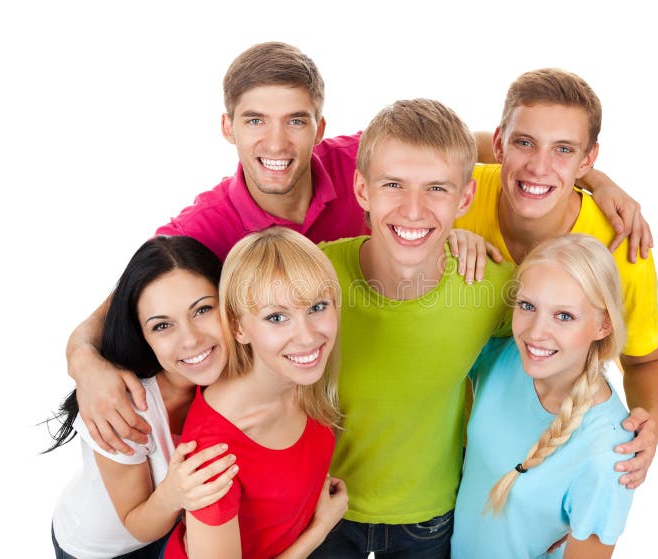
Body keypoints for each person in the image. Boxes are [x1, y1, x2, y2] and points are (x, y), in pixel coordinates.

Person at [65, 42, 649, 457]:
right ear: (228, 127)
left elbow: (474, 147)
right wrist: (83, 360)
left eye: (296, 120)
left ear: (320, 127)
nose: (276, 142)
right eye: (255, 121)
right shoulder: (209, 224)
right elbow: (132, 297)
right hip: (291, 428)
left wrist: (594, 182)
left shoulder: (358, 158)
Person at [310, 99, 515, 558]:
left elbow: (562, 348)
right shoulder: (314, 275)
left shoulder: (490, 285)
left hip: (430, 518)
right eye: (393, 185)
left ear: (465, 198)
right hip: (321, 512)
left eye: (436, 189)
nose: (413, 209)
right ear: (362, 190)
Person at [455, 68, 658, 487]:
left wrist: (651, 425)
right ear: (499, 143)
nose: (538, 167)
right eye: (524, 143)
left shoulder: (621, 248)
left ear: (587, 159)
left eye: (563, 150)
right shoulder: (455, 196)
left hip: (546, 461)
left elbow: (647, 361)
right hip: (449, 450)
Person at [162, 227, 348, 559]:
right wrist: (320, 530)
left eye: (318, 306)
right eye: (277, 317)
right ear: (238, 327)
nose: (306, 337)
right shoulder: (214, 454)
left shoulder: (299, 379)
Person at [47, 236, 238, 558]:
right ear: (143, 336)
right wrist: (174, 493)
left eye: (203, 309)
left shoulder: (235, 379)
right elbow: (136, 523)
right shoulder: (123, 406)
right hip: (103, 548)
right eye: (162, 326)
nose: (190, 340)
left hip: (179, 530)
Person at [452, 234, 636, 559]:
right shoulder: (501, 356)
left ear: (603, 325)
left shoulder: (609, 451)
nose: (536, 332)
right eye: (527, 306)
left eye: (564, 316)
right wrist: (453, 241)